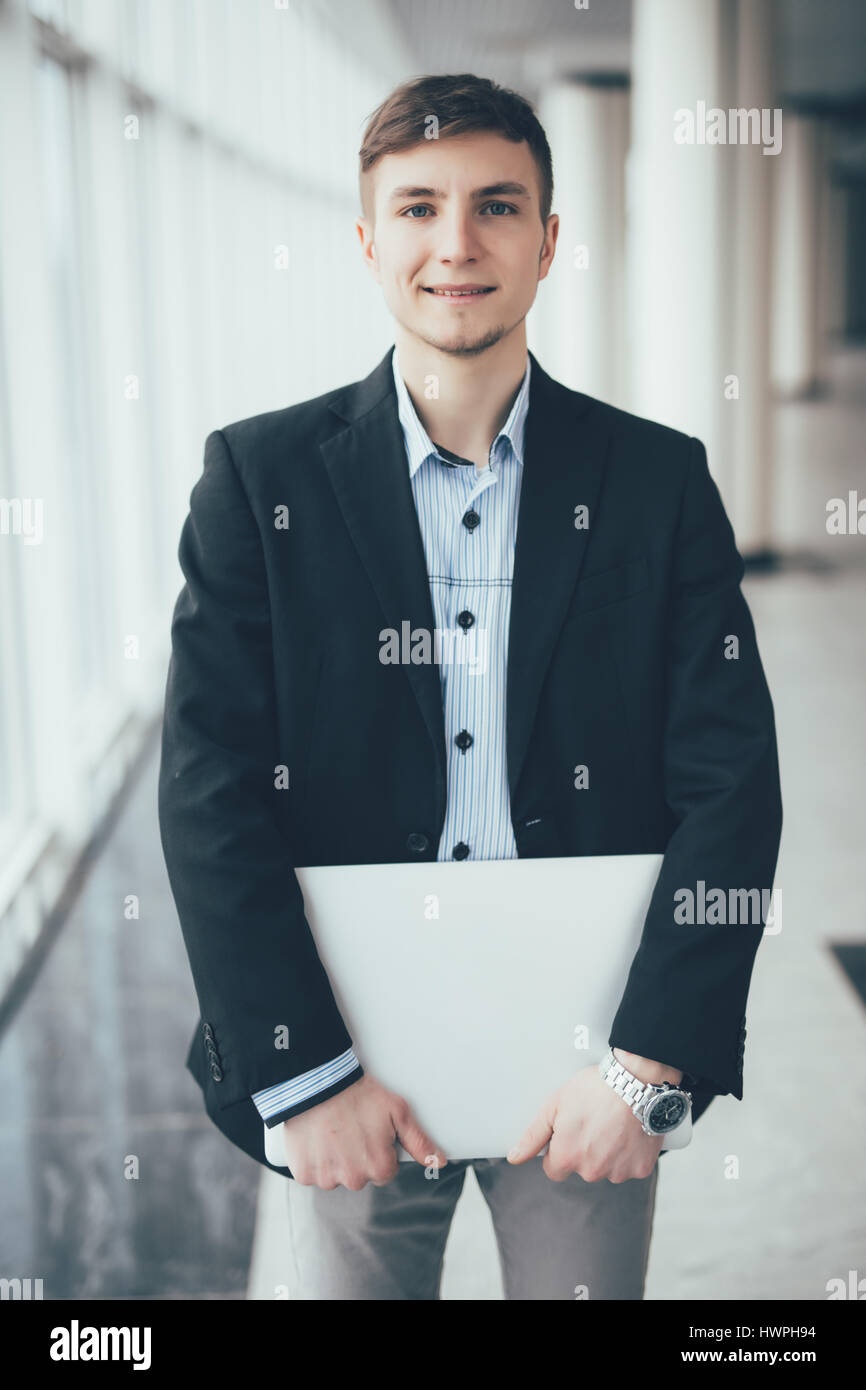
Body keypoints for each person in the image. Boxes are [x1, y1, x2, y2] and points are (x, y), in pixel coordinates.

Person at [158, 73, 782, 1300]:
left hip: (589, 1057)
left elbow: (731, 787)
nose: (456, 244)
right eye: (418, 208)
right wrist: (308, 1075)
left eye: (497, 207)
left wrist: (645, 1064)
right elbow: (206, 793)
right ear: (367, 240)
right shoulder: (256, 478)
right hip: (348, 1053)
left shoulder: (654, 483)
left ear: (549, 242)